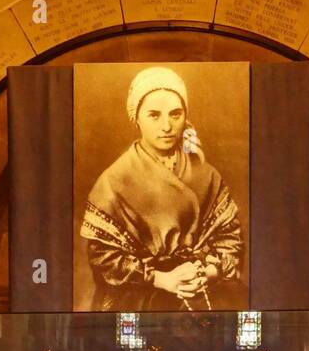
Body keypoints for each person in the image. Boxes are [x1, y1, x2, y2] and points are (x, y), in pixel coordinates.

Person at [80, 66, 244, 310]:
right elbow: (103, 257)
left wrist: (209, 272)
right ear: (136, 117)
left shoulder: (205, 174)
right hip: (141, 298)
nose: (166, 126)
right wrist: (161, 279)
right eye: (154, 115)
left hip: (202, 289)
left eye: (175, 115)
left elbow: (230, 238)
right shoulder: (114, 181)